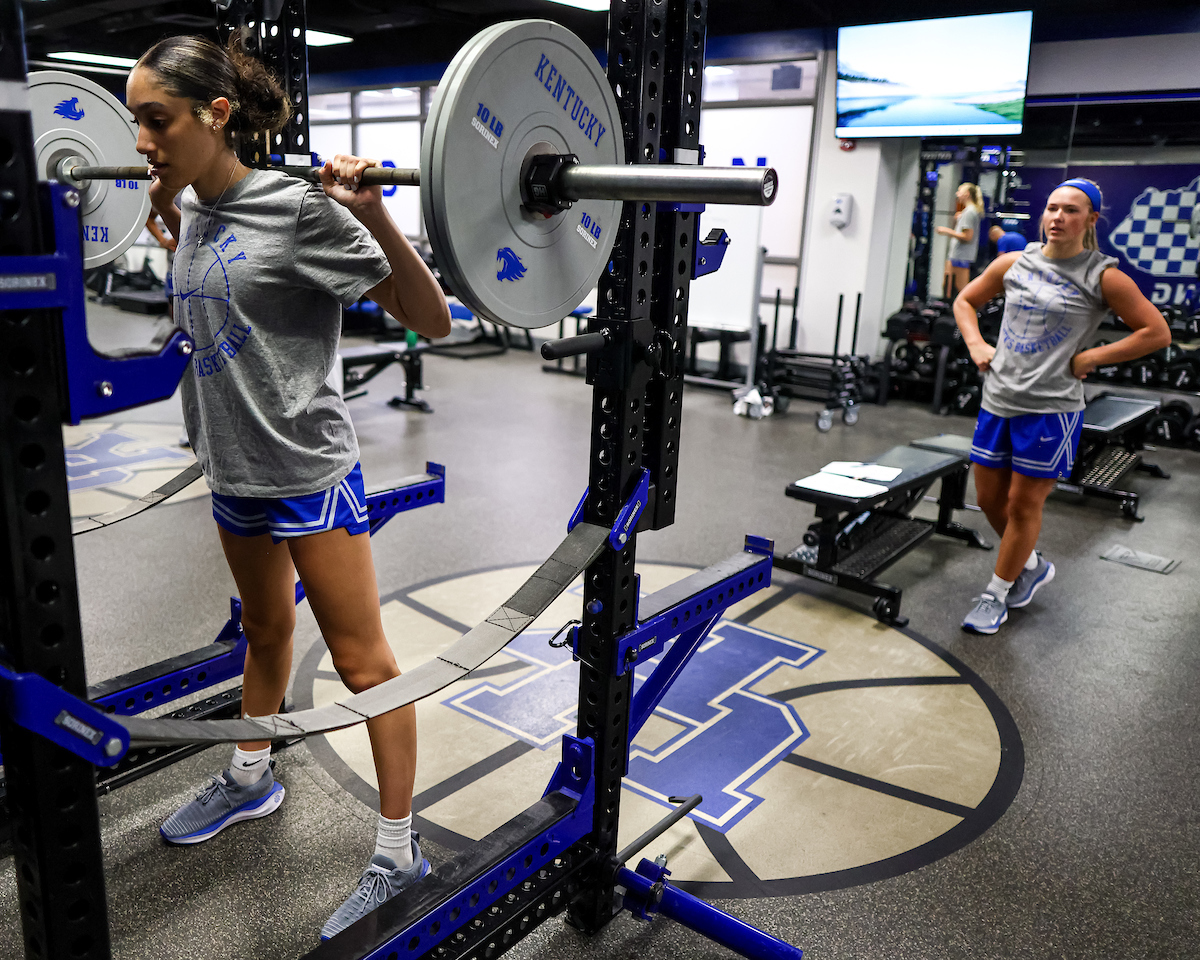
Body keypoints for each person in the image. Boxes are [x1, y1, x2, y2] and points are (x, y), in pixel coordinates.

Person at [125, 34, 451, 937]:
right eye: (136, 122)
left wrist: (375, 216)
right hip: (232, 470)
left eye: (158, 121)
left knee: (363, 664)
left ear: (216, 114)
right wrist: (164, 203)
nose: (142, 140)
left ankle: (399, 852)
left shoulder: (299, 210)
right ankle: (250, 777)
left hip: (306, 472)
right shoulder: (194, 205)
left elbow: (432, 320)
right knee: (264, 631)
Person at [953, 178, 1170, 634]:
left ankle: (996, 594)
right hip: (998, 400)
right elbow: (965, 301)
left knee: (1022, 505)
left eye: (1071, 210)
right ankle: (1030, 566)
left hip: (1051, 409)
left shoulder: (1103, 277)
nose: (1058, 217)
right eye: (1053, 208)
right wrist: (976, 344)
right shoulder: (1015, 262)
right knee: (988, 499)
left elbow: (1156, 332)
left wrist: (1093, 357)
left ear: (1091, 219)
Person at [936, 182, 984, 298]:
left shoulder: (969, 212)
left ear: (967, 194)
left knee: (959, 290)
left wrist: (946, 231)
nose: (957, 194)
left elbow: (967, 237)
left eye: (959, 191)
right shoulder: (968, 212)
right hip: (958, 255)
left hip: (961, 256)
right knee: (948, 286)